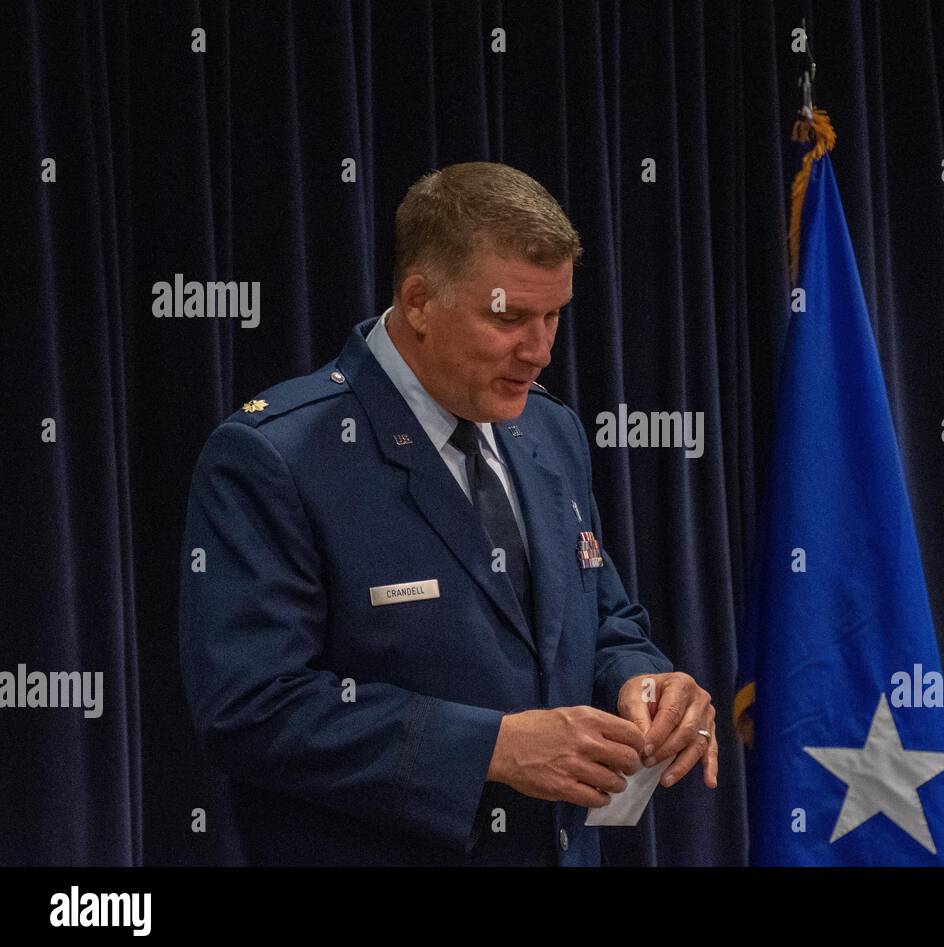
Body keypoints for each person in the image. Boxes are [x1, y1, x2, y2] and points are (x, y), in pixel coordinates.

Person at [178, 162, 717, 866]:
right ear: (420, 301)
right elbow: (251, 710)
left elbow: (598, 618)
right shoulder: (275, 456)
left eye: (554, 315)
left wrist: (643, 683)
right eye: (509, 317)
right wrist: (492, 748)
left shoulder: (548, 432)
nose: (540, 350)